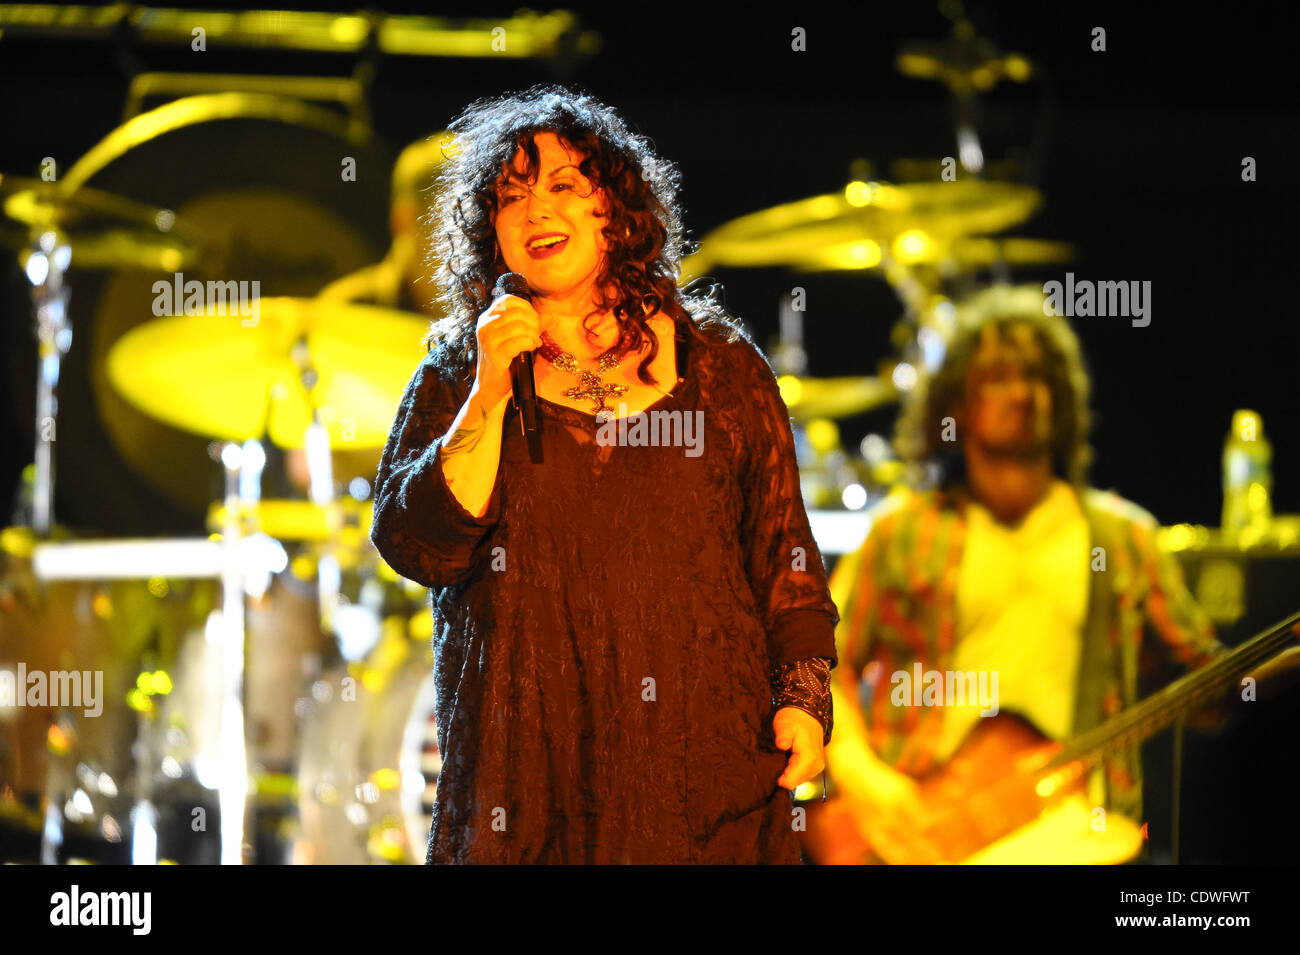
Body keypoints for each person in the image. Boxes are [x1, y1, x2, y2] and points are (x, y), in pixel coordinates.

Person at [369, 85, 839, 864]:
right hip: (526, 790)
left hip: (702, 785)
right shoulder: (459, 372)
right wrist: (489, 389)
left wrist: (804, 700)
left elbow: (784, 551)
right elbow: (420, 546)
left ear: (614, 209)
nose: (533, 212)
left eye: (562, 186)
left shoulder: (720, 367)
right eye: (509, 197)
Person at [822, 286, 1299, 864]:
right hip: (926, 839)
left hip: (1081, 841)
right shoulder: (902, 532)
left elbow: (1211, 692)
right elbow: (820, 663)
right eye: (998, 377)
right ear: (955, 406)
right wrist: (868, 783)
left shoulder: (1124, 538)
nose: (1023, 392)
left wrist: (1280, 665)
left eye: (1038, 375)